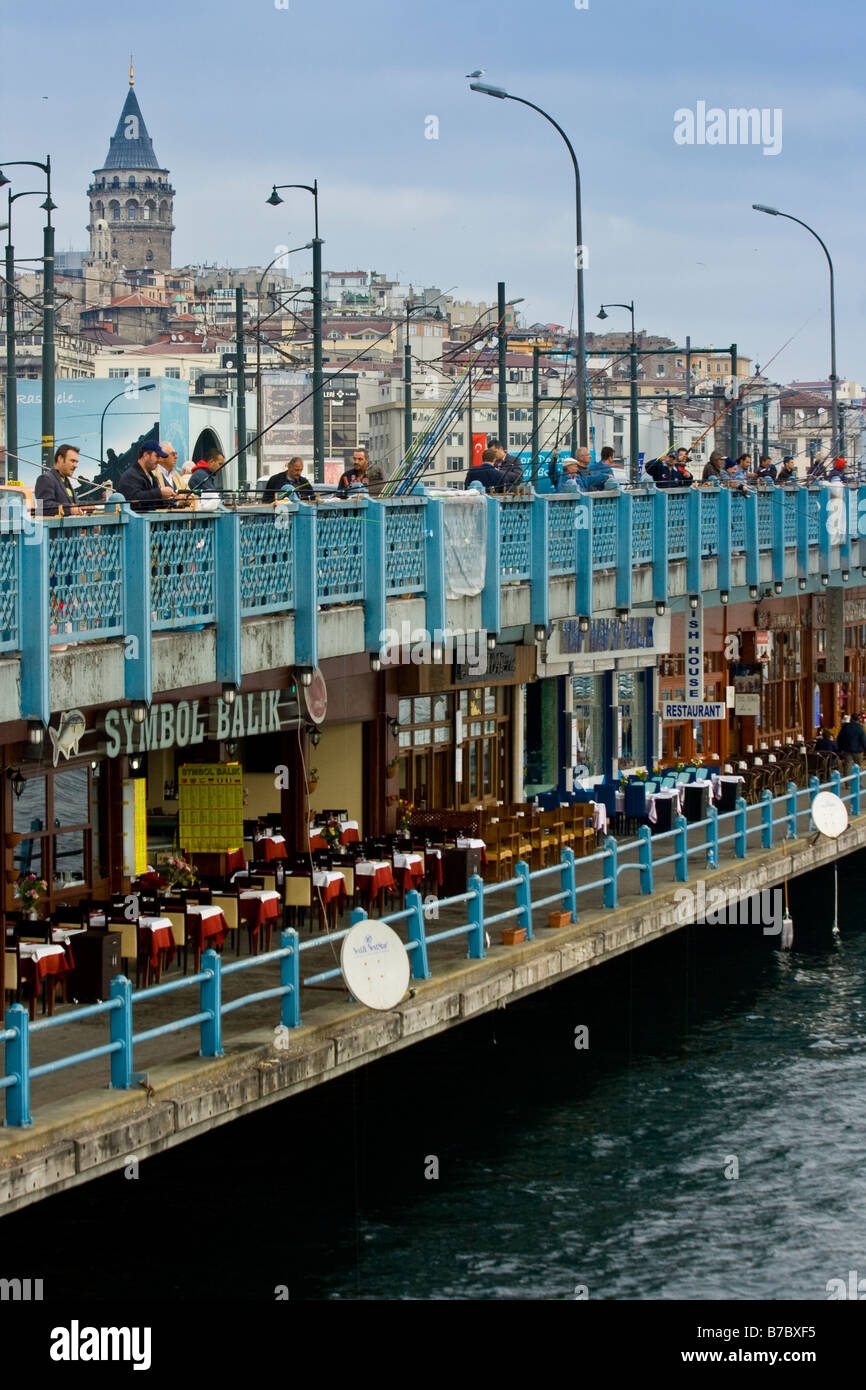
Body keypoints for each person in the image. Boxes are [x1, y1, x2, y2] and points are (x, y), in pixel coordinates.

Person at [117, 439, 176, 511]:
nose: (158, 460)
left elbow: (154, 503)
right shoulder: (131, 475)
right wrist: (159, 492)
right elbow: (134, 498)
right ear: (145, 455)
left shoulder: (152, 477)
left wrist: (176, 502)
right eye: (156, 456)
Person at [34, 444, 85, 516]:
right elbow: (42, 507)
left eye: (76, 462)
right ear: (60, 458)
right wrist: (69, 509)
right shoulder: (45, 479)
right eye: (72, 461)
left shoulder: (65, 480)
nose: (75, 466)